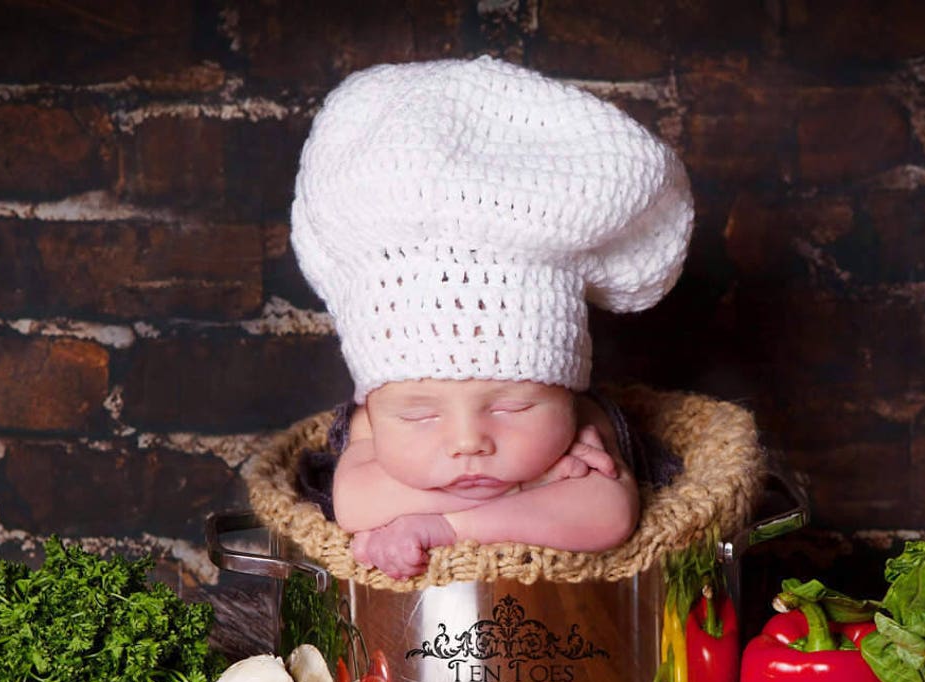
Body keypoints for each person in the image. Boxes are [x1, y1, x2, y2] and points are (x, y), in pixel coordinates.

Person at [289, 56, 693, 578]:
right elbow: (358, 505)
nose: (468, 442)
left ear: (565, 392)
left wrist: (450, 526)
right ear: (374, 400)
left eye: (513, 408)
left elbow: (608, 516)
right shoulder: (372, 417)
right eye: (419, 416)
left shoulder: (581, 423)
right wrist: (533, 484)